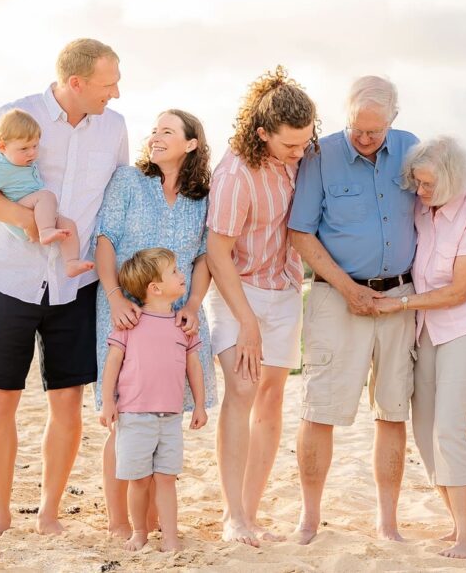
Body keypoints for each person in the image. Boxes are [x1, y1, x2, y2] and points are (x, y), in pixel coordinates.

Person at [0, 37, 127, 537]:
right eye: (108, 83)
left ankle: (49, 514)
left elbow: (114, 201)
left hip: (77, 283)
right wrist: (23, 222)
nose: (115, 93)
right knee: (0, 400)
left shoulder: (114, 128)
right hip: (9, 277)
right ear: (76, 83)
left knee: (67, 402)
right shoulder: (15, 115)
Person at [286, 76, 418, 544]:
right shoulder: (320, 155)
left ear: (393, 121)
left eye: (375, 132)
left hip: (400, 300)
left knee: (392, 410)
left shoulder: (411, 149)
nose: (364, 139)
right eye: (356, 129)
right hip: (335, 297)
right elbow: (301, 232)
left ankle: (387, 522)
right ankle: (309, 516)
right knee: (320, 409)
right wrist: (348, 289)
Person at [373, 136, 466, 561]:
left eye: (429, 184)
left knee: (450, 425)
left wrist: (402, 303)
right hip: (428, 324)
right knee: (425, 428)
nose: (420, 191)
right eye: (417, 182)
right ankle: (456, 521)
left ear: (451, 182)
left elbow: (461, 290)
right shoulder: (419, 208)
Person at [205, 67, 317, 546]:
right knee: (243, 389)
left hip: (285, 286)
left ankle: (250, 512)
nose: (300, 153)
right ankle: (233, 516)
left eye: (306, 143)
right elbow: (217, 253)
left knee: (272, 396)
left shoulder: (300, 153)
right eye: (290, 146)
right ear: (261, 133)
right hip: (238, 289)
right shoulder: (235, 174)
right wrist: (247, 323)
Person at [93, 110, 216, 540]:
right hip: (124, 312)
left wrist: (195, 304)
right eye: (154, 130)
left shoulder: (203, 195)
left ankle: (151, 521)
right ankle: (119, 522)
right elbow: (104, 238)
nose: (156, 136)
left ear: (191, 144)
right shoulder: (128, 181)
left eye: (167, 131)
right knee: (127, 415)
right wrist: (113, 298)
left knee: (165, 415)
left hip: (178, 317)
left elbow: (204, 256)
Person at [98, 248, 208, 554]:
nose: (181, 274)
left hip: (171, 419)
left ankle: (171, 537)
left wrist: (199, 404)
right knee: (139, 481)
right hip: (134, 417)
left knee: (167, 479)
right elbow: (112, 364)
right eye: (174, 271)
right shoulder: (130, 323)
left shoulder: (182, 324)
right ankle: (139, 532)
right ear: (155, 288)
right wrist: (108, 402)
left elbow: (194, 367)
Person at [0, 108, 94, 278]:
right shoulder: (2, 168)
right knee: (46, 196)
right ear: (2, 147)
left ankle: (71, 263)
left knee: (68, 224)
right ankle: (45, 231)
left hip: (37, 208)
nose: (31, 153)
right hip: (20, 207)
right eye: (23, 149)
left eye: (35, 146)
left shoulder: (21, 160)